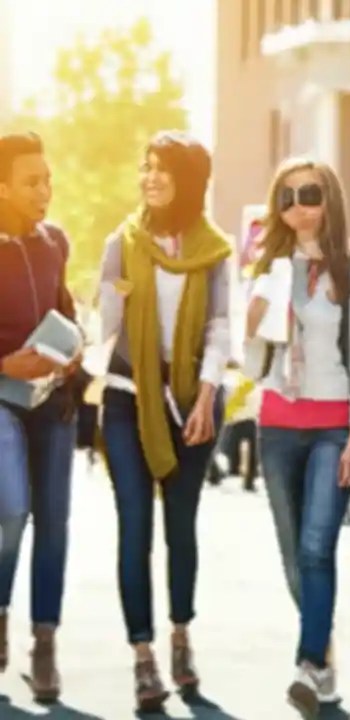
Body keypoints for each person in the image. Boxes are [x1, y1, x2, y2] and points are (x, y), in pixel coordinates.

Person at [97, 130, 233, 712]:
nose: (150, 177)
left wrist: (206, 397)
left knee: (181, 524)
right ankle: (143, 655)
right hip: (128, 397)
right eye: (146, 166)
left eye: (163, 168)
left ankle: (180, 636)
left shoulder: (214, 249)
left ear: (190, 180)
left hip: (193, 400)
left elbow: (221, 326)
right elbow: (107, 328)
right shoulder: (122, 243)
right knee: (135, 525)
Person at [244, 156, 350, 716]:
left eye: (310, 194)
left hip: (332, 425)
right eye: (288, 197)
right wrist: (253, 319)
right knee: (294, 557)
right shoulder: (268, 267)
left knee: (318, 547)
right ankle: (324, 656)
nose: (299, 206)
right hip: (277, 423)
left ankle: (306, 663)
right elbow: (251, 360)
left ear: (329, 201)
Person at [0, 131, 83, 704]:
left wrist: (75, 349)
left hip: (54, 403)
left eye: (48, 180)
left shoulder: (55, 242)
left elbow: (65, 308)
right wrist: (7, 364)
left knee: (54, 521)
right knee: (11, 509)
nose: (44, 191)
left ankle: (45, 643)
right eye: (31, 182)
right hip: (2, 399)